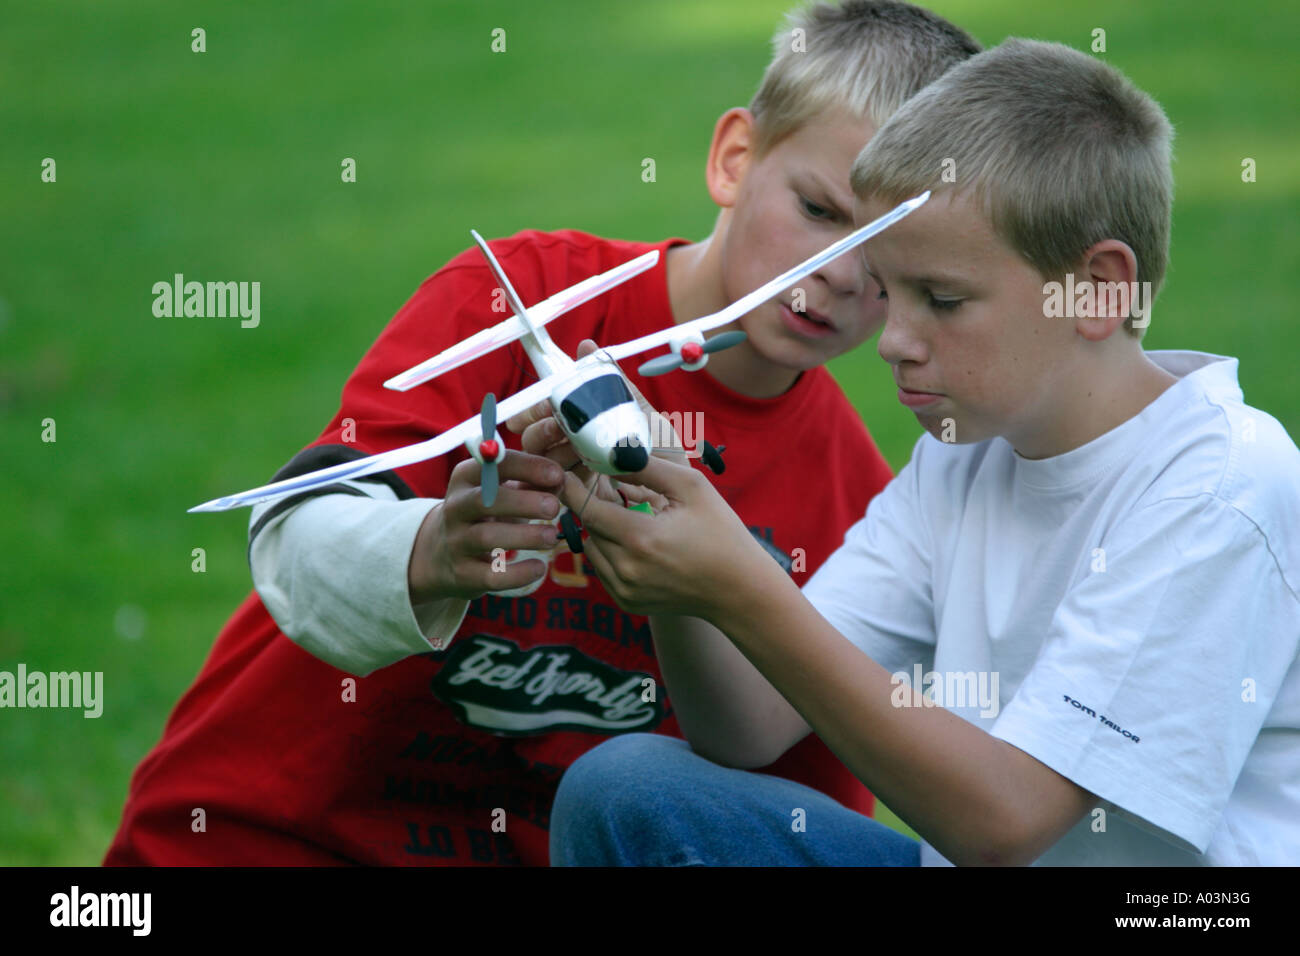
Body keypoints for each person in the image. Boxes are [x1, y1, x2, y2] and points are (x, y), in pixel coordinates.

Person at [103, 1, 983, 865]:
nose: (836, 273)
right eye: (819, 211)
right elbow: (297, 541)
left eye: (883, 250)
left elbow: (759, 823)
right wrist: (434, 548)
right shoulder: (518, 295)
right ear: (734, 157)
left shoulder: (860, 504)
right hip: (268, 832)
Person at [544, 38, 1300, 866]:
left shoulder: (1216, 486)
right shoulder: (963, 452)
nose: (894, 341)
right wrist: (668, 537)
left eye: (941, 299)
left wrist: (743, 587)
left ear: (1098, 289)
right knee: (629, 789)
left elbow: (1010, 823)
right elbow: (748, 724)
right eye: (887, 290)